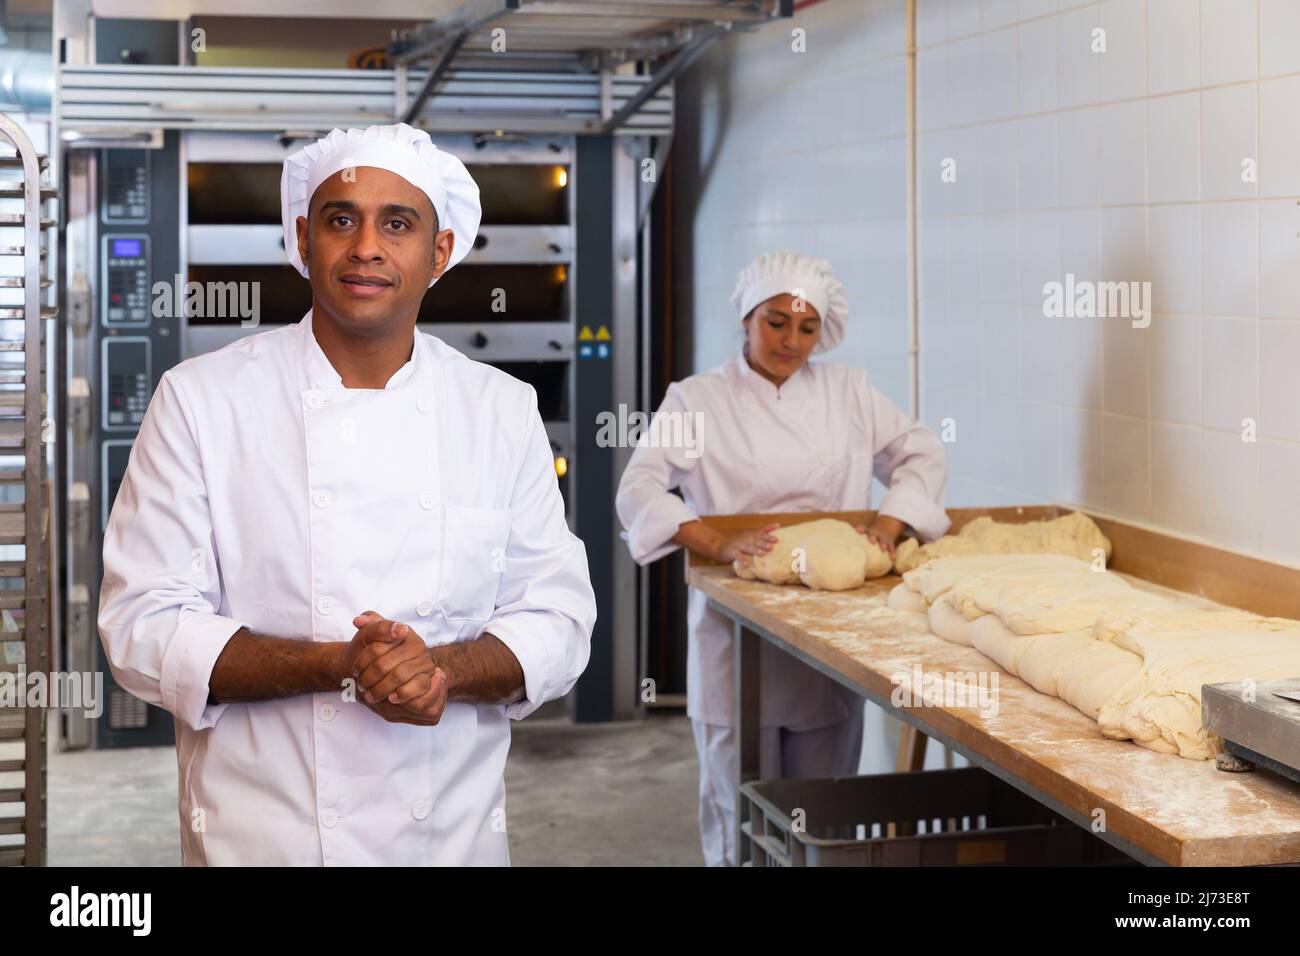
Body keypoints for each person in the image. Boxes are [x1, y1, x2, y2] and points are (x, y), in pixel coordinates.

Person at [98, 122, 597, 866]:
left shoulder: (499, 408)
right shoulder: (202, 400)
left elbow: (558, 615)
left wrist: (442, 671)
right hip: (261, 839)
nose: (366, 247)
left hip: (446, 842)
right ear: (303, 240)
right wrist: (344, 663)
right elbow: (142, 625)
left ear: (440, 252)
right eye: (341, 220)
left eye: (397, 223)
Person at [615, 251, 949, 866]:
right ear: (746, 319)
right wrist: (717, 543)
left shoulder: (849, 391)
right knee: (736, 806)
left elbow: (920, 452)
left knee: (822, 806)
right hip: (735, 629)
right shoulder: (697, 401)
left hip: (828, 628)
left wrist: (890, 520)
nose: (790, 341)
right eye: (775, 322)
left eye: (806, 327)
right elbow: (638, 489)